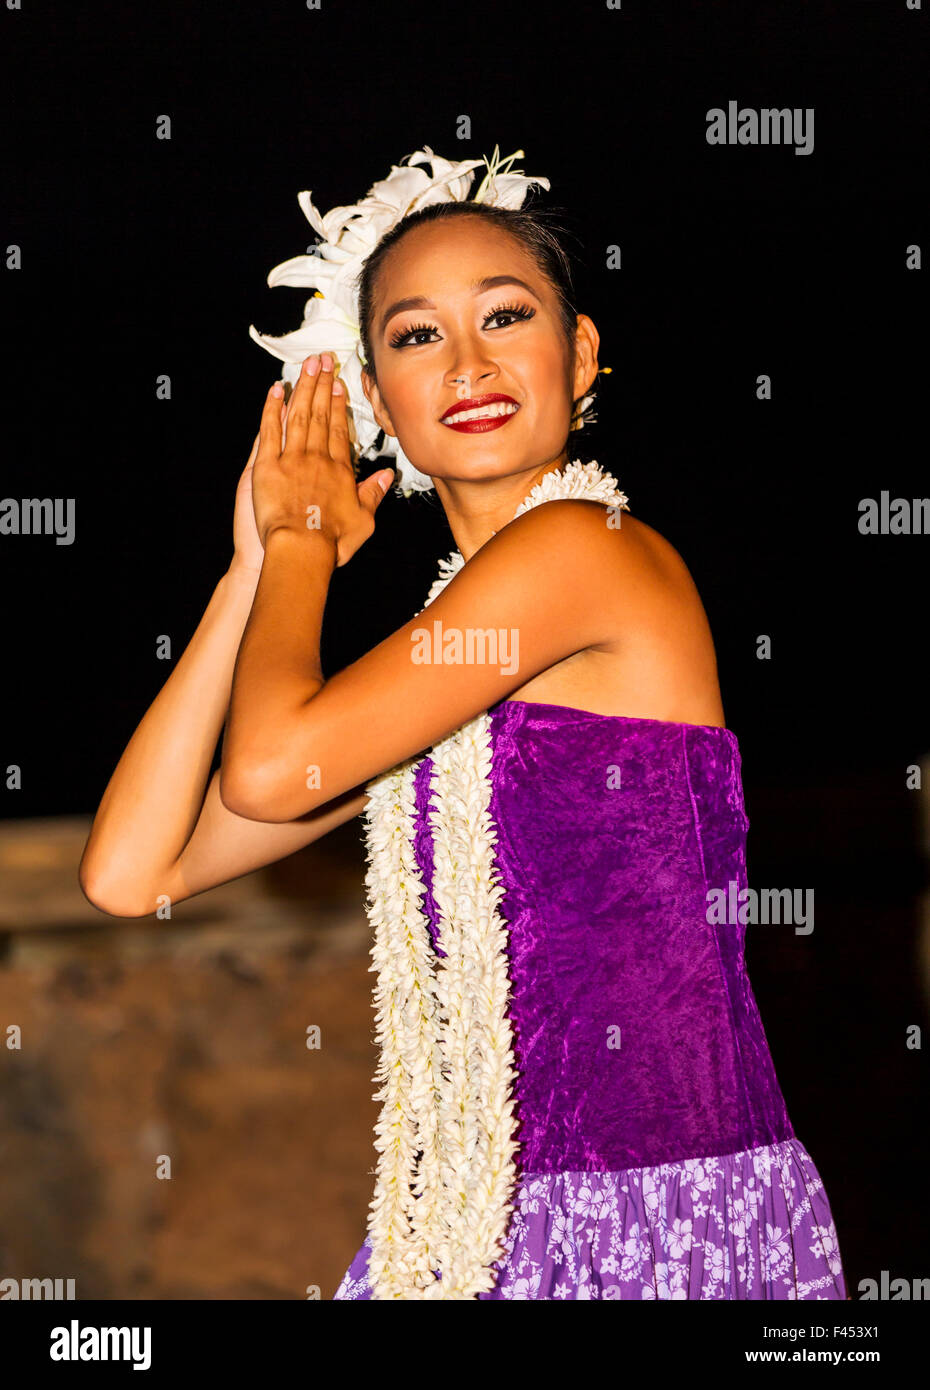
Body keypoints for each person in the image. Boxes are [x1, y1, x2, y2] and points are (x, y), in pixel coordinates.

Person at [79, 155, 846, 1300]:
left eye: (505, 314)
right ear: (374, 404)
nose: (471, 362)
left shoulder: (584, 549)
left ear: (579, 354)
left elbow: (278, 764)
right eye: (418, 336)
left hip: (650, 1226)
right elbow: (134, 873)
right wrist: (251, 565)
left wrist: (301, 548)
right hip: (475, 1233)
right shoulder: (453, 661)